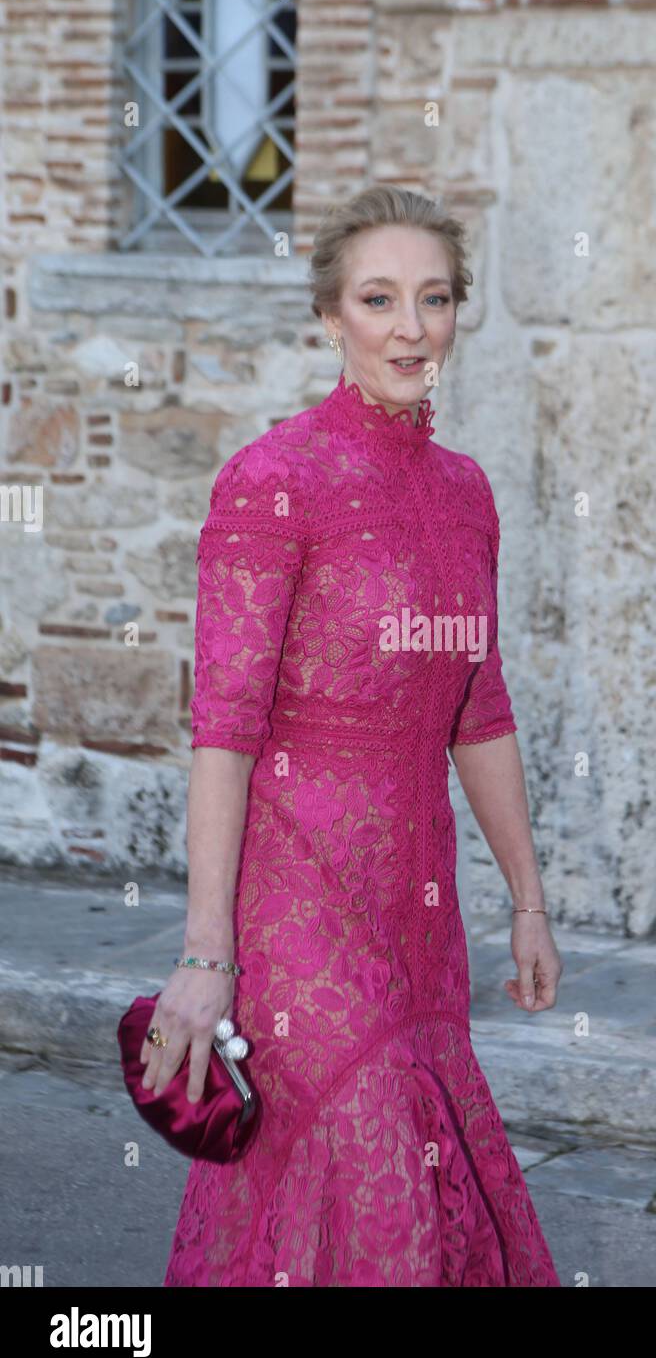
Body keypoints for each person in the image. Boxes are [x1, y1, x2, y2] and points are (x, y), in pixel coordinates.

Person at [145, 184, 563, 1286]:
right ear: (331, 315)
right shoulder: (271, 481)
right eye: (378, 298)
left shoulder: (467, 493)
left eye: (433, 299)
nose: (408, 326)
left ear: (457, 315)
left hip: (414, 902)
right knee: (371, 1157)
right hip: (295, 898)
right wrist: (202, 952)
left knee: (407, 1163)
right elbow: (223, 728)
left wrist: (526, 900)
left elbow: (480, 709)